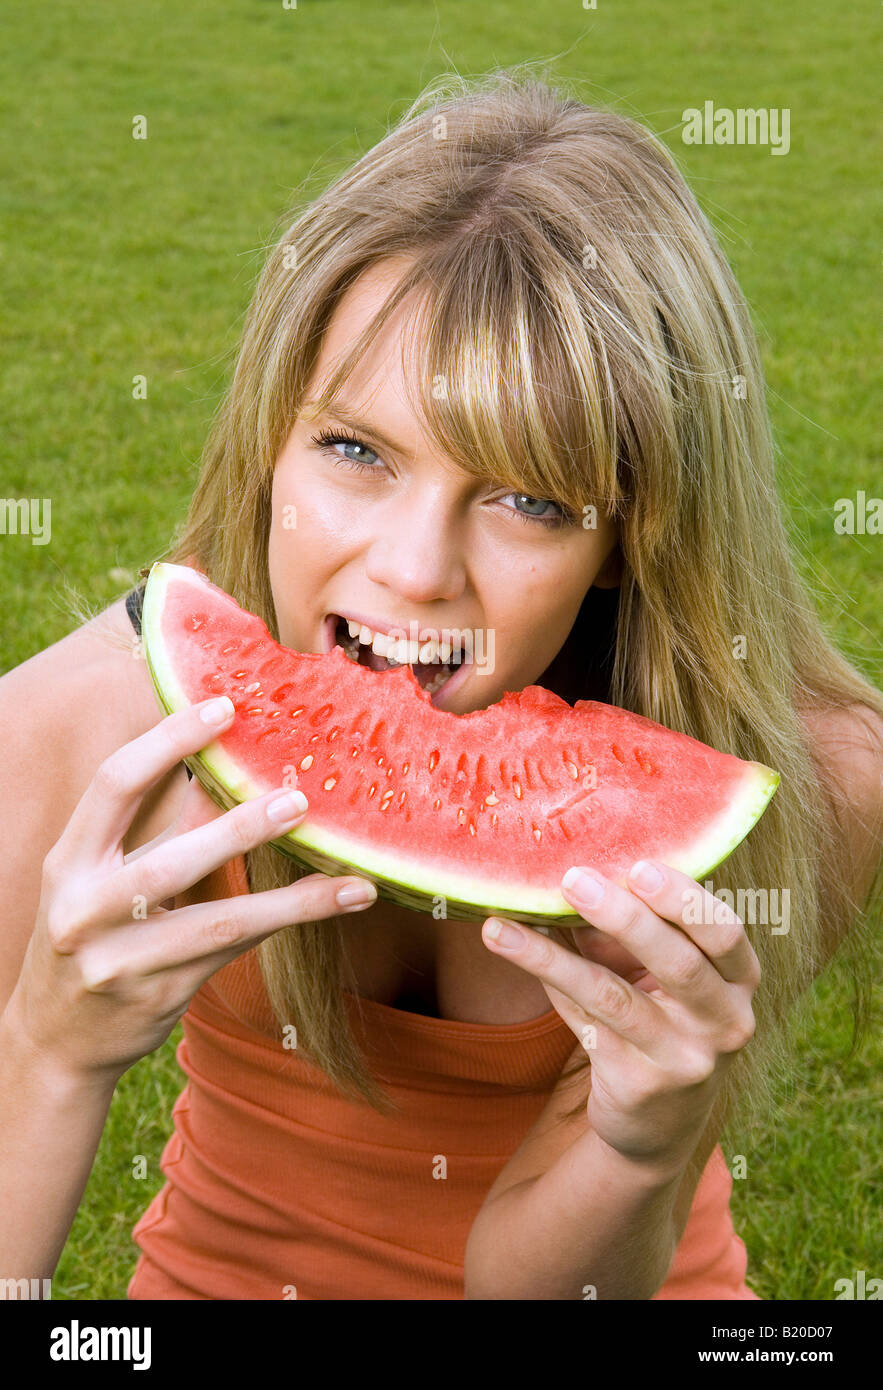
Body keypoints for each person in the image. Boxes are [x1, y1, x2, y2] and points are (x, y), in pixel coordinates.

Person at [1, 69, 881, 1302]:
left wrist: (641, 1144)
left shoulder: (810, 784)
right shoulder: (83, 732)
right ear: (269, 434)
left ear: (633, 525)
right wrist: (47, 1049)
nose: (413, 571)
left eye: (526, 497)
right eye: (355, 449)